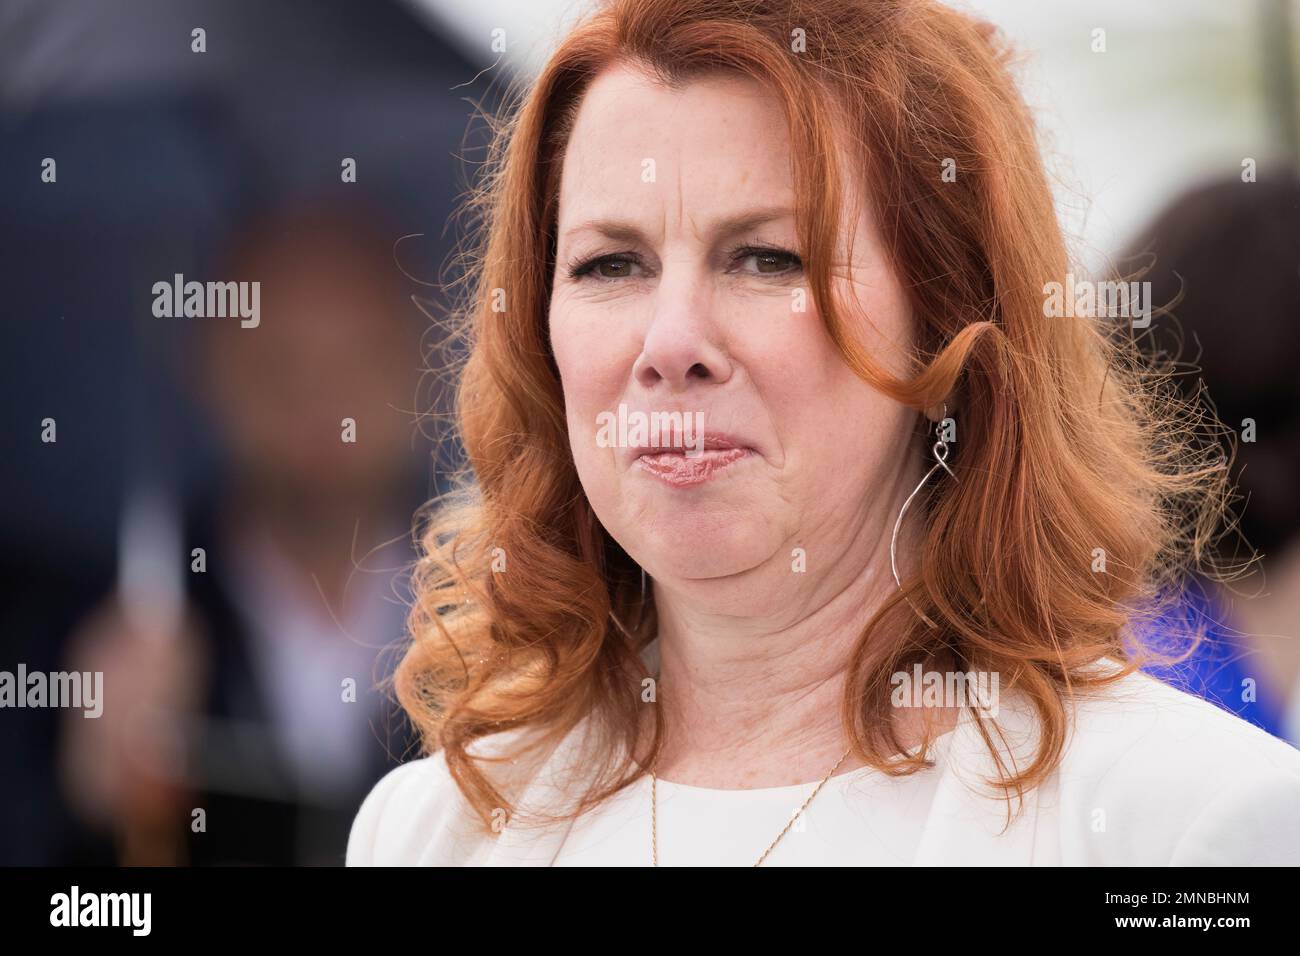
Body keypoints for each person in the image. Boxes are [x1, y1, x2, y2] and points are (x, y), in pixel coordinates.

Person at [348, 0, 1300, 866]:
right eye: (610, 265)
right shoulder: (431, 831)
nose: (672, 343)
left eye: (767, 257)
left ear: (949, 334)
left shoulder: (1182, 827)